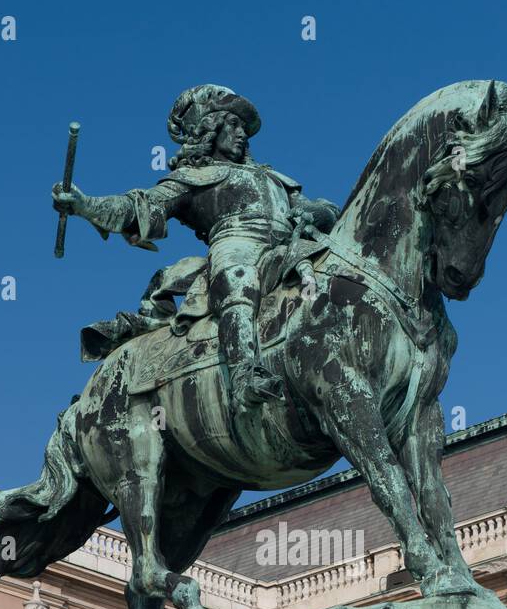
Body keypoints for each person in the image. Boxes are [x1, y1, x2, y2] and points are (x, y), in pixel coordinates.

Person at [52, 83, 338, 410]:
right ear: (209, 131)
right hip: (237, 244)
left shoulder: (276, 179)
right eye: (231, 125)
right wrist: (85, 204)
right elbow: (139, 206)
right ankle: (244, 374)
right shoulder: (193, 179)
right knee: (238, 276)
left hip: (293, 244)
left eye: (243, 127)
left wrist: (316, 210)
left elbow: (324, 207)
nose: (241, 133)